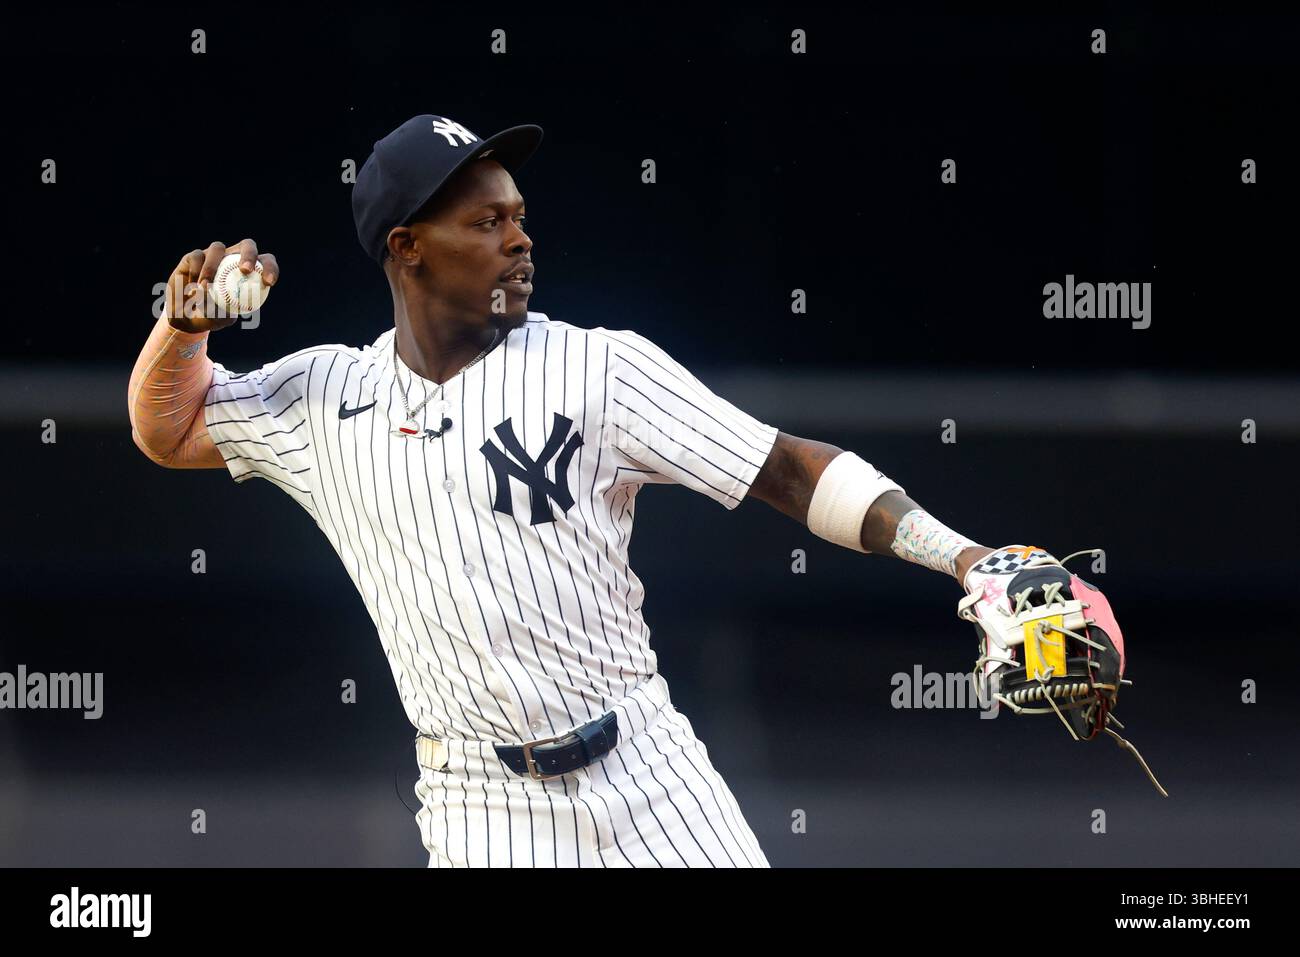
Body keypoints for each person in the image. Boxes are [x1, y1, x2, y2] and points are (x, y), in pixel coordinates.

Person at [128, 113, 1074, 867]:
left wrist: (962, 555)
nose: (519, 240)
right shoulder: (324, 395)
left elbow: (785, 468)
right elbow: (166, 428)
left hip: (648, 773)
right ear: (408, 247)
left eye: (521, 216)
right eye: (486, 222)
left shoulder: (599, 368)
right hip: (476, 801)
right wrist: (186, 327)